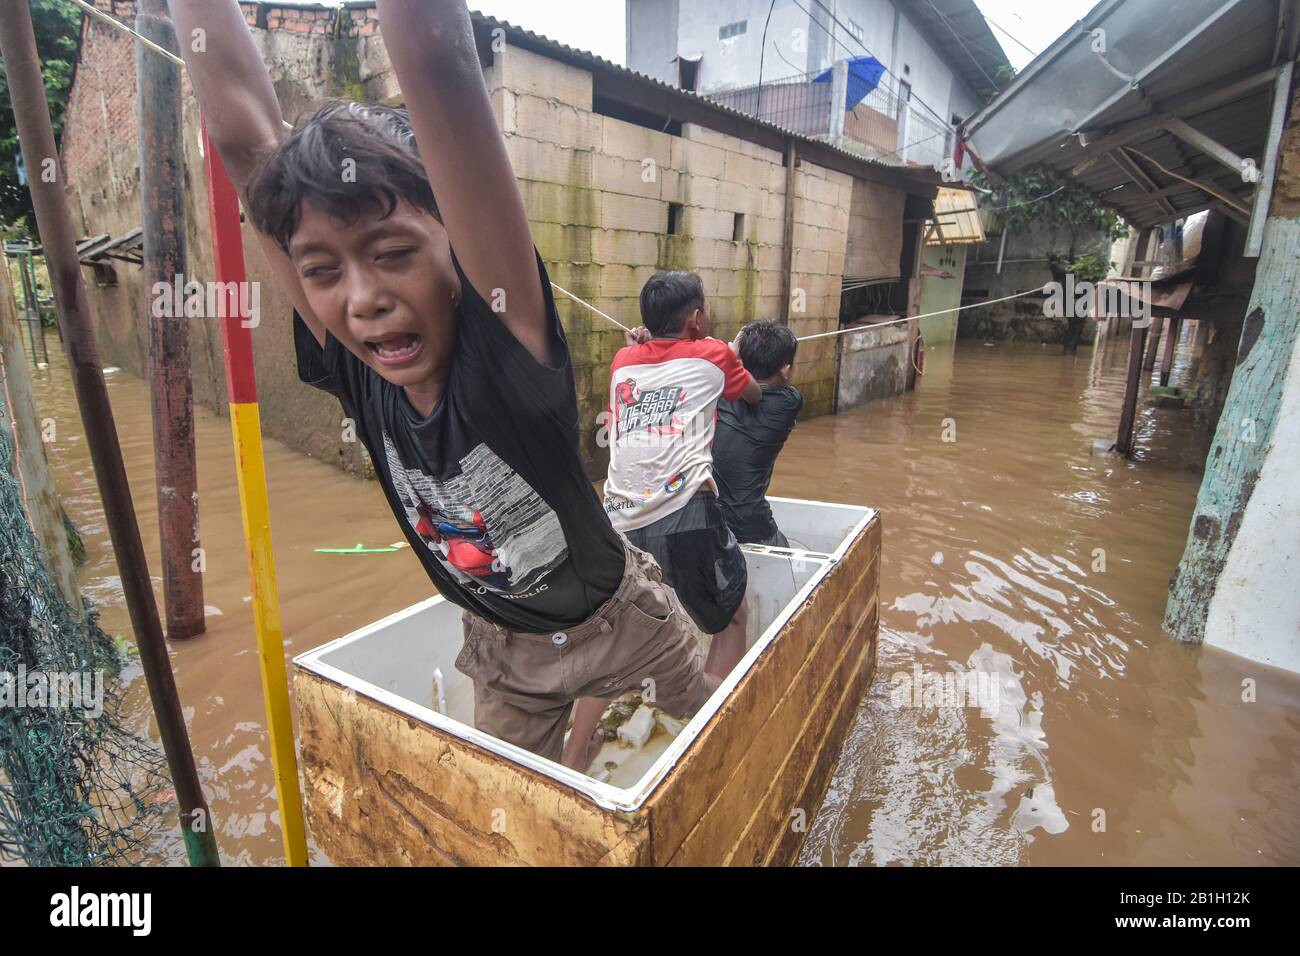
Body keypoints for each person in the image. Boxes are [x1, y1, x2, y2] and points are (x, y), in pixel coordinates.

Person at [169, 0, 718, 771]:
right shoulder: (356, 370)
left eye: (391, 252)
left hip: (623, 628)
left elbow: (435, 59)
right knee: (500, 822)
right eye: (321, 270)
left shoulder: (505, 337)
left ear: (457, 254)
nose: (360, 297)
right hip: (504, 653)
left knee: (710, 774)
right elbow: (241, 137)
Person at [602, 271, 761, 682]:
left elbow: (649, 367)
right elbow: (752, 394)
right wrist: (732, 356)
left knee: (629, 629)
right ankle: (711, 719)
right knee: (733, 615)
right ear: (696, 318)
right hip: (684, 512)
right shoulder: (712, 354)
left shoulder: (622, 362)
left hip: (616, 521)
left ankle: (581, 744)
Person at [714, 321, 804, 547]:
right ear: (784, 370)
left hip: (711, 520)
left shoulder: (716, 389)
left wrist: (730, 359)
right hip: (751, 525)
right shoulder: (789, 401)